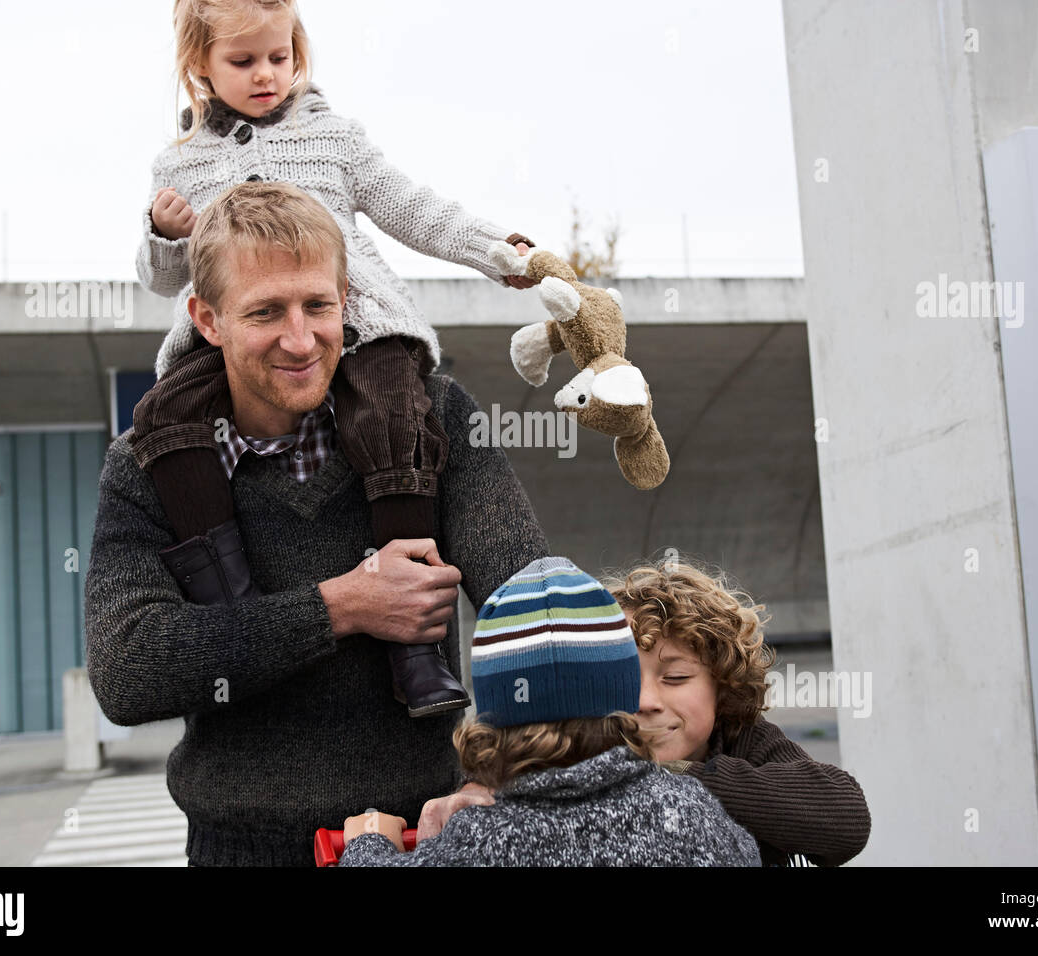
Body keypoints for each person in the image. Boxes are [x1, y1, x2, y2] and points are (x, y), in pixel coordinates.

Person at [84, 180, 548, 866]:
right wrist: (342, 606)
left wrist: (494, 780)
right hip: (237, 852)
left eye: (317, 306)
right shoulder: (144, 465)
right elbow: (128, 671)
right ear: (207, 320)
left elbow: (533, 607)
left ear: (348, 301)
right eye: (266, 311)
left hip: (425, 840)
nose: (300, 340)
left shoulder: (433, 419)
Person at [131, 0, 539, 717]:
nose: (266, 74)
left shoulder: (334, 139)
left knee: (393, 412)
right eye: (243, 61)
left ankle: (412, 648)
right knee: (163, 414)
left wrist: (497, 251)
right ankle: (237, 608)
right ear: (200, 66)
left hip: (361, 317)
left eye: (279, 57)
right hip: (224, 342)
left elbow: (414, 209)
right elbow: (166, 278)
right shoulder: (181, 162)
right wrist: (164, 234)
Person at [339, 557, 761, 866]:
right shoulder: (691, 813)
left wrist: (368, 842)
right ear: (621, 701)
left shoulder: (482, 843)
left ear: (491, 723)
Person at [610, 557, 872, 866]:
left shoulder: (743, 738)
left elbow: (845, 822)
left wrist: (686, 775)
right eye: (621, 679)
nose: (645, 701)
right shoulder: (575, 754)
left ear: (723, 688)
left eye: (676, 678)